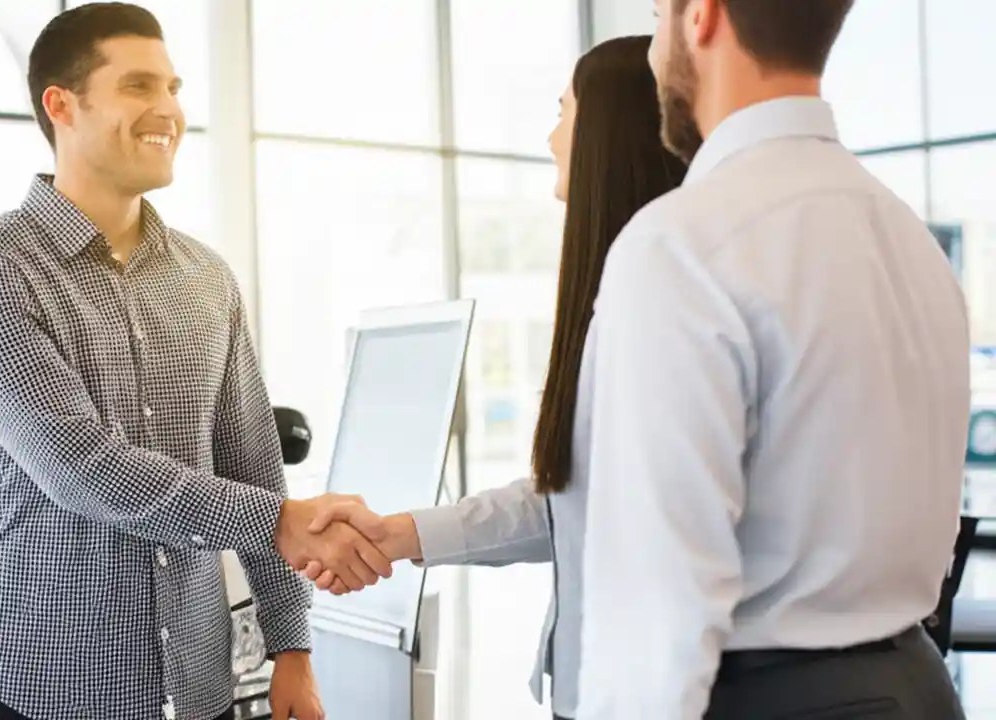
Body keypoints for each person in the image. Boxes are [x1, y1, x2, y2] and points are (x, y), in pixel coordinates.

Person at [315, 0, 975, 718]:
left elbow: (654, 622)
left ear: (704, 18)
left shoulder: (684, 246)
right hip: (915, 687)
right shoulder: (908, 237)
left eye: (659, 13)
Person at [0, 4, 391, 720]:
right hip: (41, 694)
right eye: (140, 86)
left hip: (196, 692)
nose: (169, 110)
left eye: (173, 88)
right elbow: (81, 468)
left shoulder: (207, 279)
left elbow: (252, 462)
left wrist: (291, 649)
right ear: (62, 105)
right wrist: (281, 521)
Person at [303, 35, 687, 720]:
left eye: (563, 111)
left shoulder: (666, 304)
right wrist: (398, 534)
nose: (550, 136)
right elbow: (571, 502)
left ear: (608, 130)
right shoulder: (620, 294)